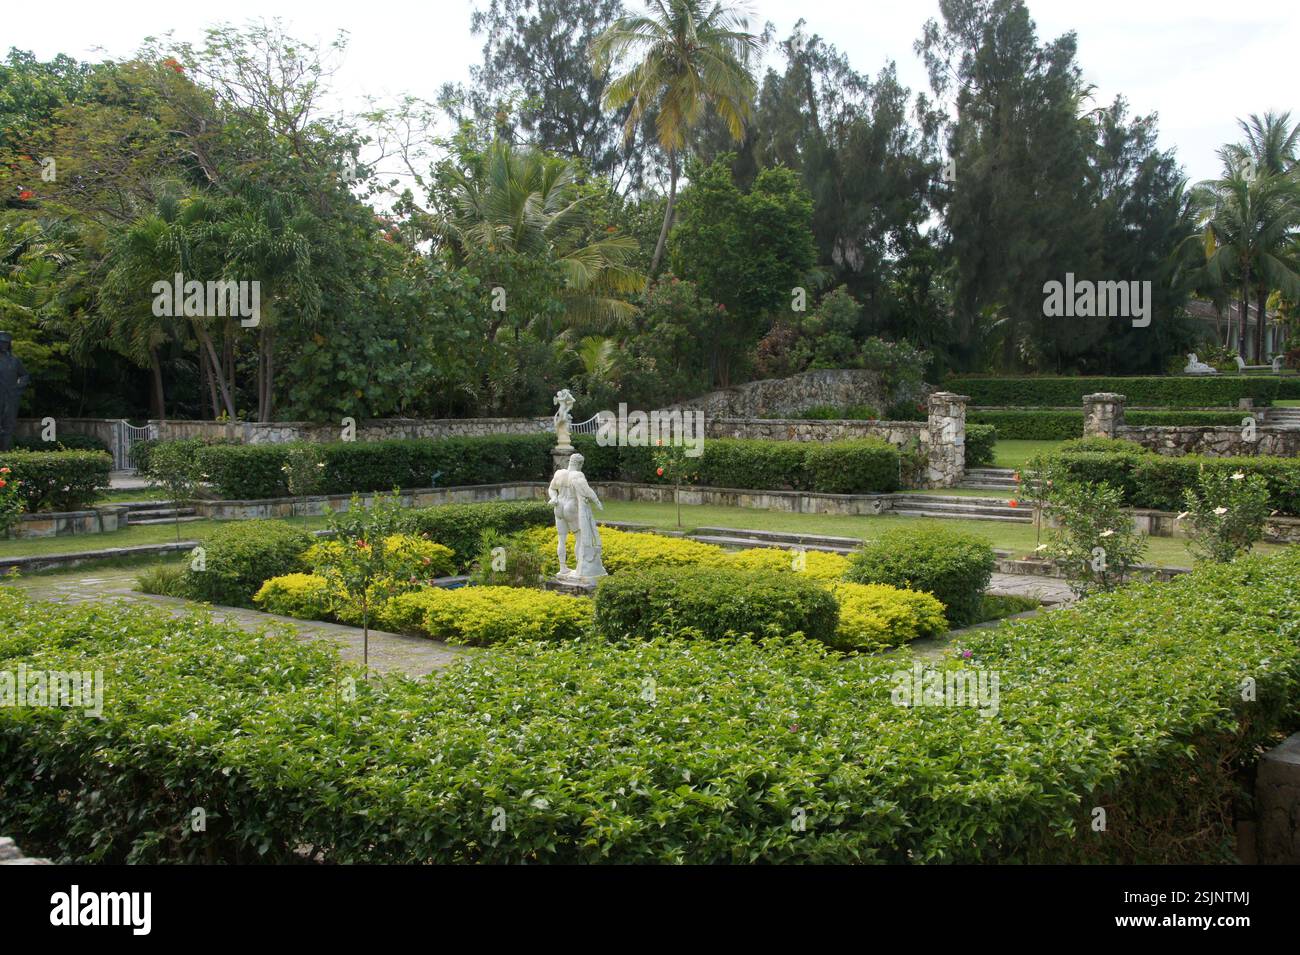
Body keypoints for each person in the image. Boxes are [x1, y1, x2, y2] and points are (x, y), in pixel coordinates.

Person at [547, 452, 607, 579]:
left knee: (561, 539)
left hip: (559, 507)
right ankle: (581, 566)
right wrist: (597, 502)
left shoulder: (559, 473)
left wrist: (554, 498)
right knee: (579, 538)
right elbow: (587, 491)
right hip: (570, 507)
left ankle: (562, 568)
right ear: (579, 463)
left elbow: (551, 488)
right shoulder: (577, 475)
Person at [0, 332, 30, 452]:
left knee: (8, 425)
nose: (3, 345)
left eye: (6, 343)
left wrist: (18, 387)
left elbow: (25, 375)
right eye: (1, 342)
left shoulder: (14, 361)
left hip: (11, 397)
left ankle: (5, 452)